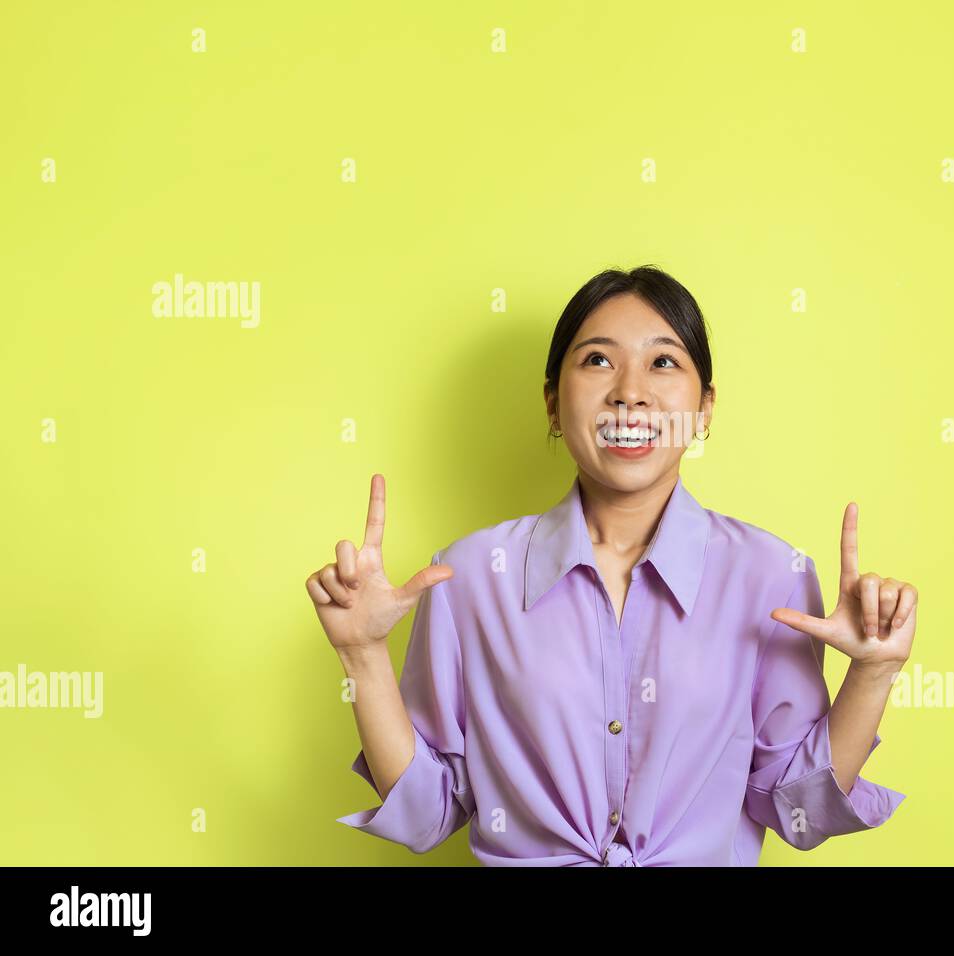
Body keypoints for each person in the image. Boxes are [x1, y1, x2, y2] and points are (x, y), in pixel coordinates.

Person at [306, 265, 917, 866]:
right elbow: (426, 813)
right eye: (598, 360)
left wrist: (873, 674)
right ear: (552, 403)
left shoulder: (769, 575)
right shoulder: (467, 576)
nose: (629, 392)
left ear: (704, 409)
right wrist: (362, 655)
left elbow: (797, 810)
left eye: (663, 362)